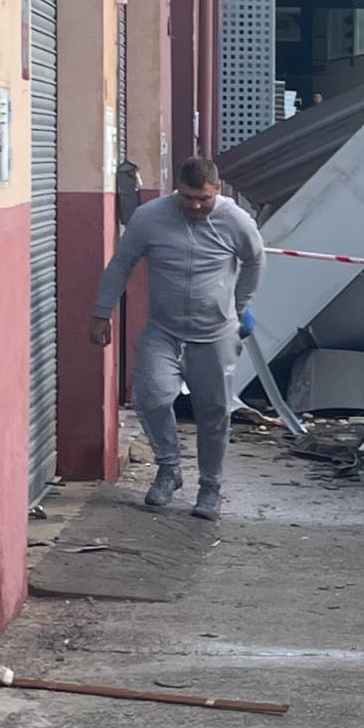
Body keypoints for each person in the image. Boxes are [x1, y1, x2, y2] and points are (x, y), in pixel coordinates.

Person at [91, 157, 264, 521]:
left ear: (216, 190)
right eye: (189, 197)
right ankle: (169, 468)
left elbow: (255, 260)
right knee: (151, 396)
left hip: (214, 333)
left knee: (214, 411)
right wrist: (102, 312)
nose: (196, 205)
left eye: (204, 198)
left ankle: (210, 488)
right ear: (178, 190)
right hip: (163, 330)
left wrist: (238, 305)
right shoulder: (150, 218)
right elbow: (121, 263)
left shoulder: (236, 221)